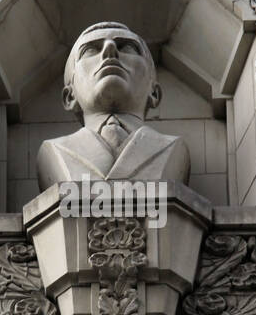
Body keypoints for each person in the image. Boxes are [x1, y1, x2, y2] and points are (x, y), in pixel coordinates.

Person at [37, 22, 190, 190]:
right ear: (69, 96)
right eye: (90, 50)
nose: (110, 50)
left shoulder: (172, 148)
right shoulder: (55, 151)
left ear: (154, 92)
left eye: (128, 48)